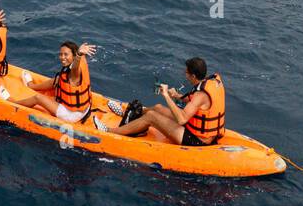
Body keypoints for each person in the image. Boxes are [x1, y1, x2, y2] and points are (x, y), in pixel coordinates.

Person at [96, 57, 225, 145]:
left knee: (152, 117)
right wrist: (176, 95)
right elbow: (196, 103)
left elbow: (182, 120)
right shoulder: (210, 82)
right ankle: (129, 113)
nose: (184, 74)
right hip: (196, 127)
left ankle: (109, 131)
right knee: (157, 107)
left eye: (186, 73)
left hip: (197, 139)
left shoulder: (200, 95)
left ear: (193, 76)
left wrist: (166, 96)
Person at [17, 41, 97, 123]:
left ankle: (12, 102)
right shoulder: (79, 64)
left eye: (66, 54)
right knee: (60, 79)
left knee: (38, 98)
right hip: (85, 109)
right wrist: (79, 54)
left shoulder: (75, 73)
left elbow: (75, 69)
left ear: (74, 56)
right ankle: (32, 86)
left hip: (71, 115)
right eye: (61, 54)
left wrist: (79, 55)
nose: (62, 57)